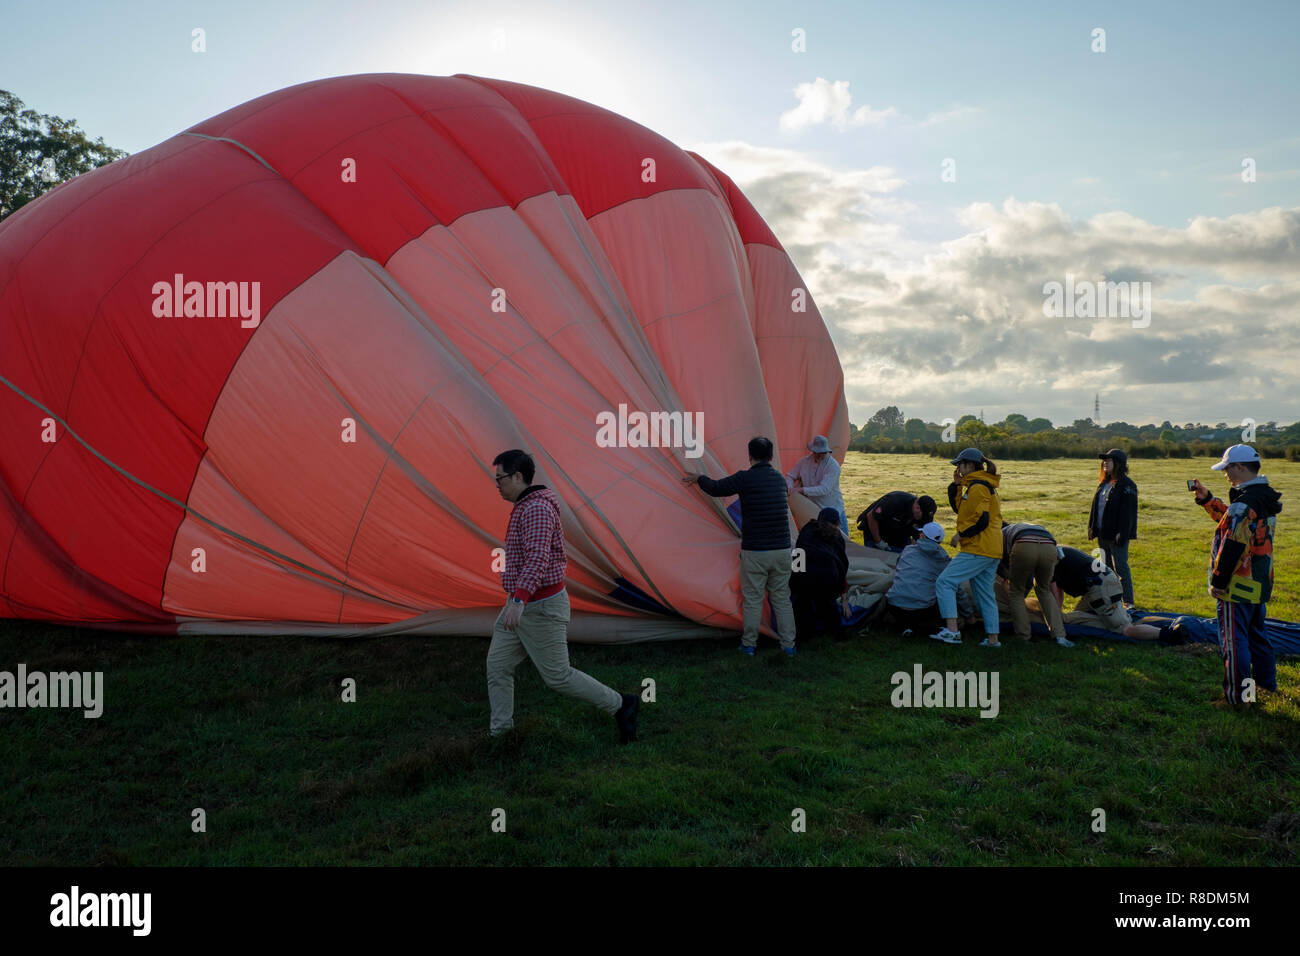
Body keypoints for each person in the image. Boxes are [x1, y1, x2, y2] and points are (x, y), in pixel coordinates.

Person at [486, 449, 640, 742]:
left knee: (558, 676)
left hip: (539, 606)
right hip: (521, 604)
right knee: (498, 665)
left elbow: (538, 558)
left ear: (518, 477)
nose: (498, 484)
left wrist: (518, 600)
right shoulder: (524, 505)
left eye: (501, 478)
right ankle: (501, 734)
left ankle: (622, 704)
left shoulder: (537, 510)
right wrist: (516, 601)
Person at [683, 436, 798, 656]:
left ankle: (749, 645)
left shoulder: (746, 478)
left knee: (753, 599)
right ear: (771, 456)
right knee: (782, 599)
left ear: (750, 456)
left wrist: (700, 478)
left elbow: (717, 488)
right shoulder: (779, 480)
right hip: (783, 549)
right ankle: (789, 646)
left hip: (756, 550)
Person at [1191, 444, 1282, 709]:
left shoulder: (1243, 504)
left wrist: (1218, 582)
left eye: (1228, 469)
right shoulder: (1261, 497)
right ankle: (1266, 686)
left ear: (1239, 467)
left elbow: (1233, 544)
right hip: (1259, 584)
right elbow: (1233, 521)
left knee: (1234, 641)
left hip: (1237, 585)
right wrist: (1208, 500)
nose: (1225, 474)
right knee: (1257, 636)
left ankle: (1239, 698)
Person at [932, 448, 1002, 646]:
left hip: (978, 547)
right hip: (992, 549)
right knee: (986, 595)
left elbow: (982, 519)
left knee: (944, 582)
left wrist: (960, 535)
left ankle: (952, 631)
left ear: (970, 465)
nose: (958, 469)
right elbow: (961, 510)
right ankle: (992, 639)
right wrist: (956, 486)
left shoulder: (978, 487)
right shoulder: (979, 485)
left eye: (960, 465)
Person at [1043, 546, 1178, 642]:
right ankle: (1111, 618)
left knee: (1125, 629)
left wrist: (1055, 616)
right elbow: (1058, 592)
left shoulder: (1047, 561)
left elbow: (1055, 594)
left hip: (1101, 588)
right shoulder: (1057, 551)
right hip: (1099, 585)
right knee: (1075, 620)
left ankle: (1169, 634)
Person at [882, 521, 974, 632]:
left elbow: (899, 569)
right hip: (923, 610)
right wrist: (969, 615)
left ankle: (904, 625)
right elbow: (957, 589)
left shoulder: (908, 550)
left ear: (922, 536)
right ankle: (934, 626)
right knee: (945, 591)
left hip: (894, 606)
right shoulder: (943, 560)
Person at [997, 522, 1071, 646]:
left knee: (1016, 592)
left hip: (1023, 545)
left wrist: (1005, 576)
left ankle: (1024, 636)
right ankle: (1060, 636)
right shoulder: (1021, 527)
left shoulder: (1000, 534)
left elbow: (1001, 562)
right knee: (1044, 590)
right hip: (1049, 546)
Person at [1087, 448, 1139, 605]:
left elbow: (1129, 512)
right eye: (1104, 460)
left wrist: (1122, 532)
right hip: (1102, 534)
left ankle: (1128, 602)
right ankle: (1111, 599)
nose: (1105, 463)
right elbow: (1095, 506)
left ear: (1118, 464)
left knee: (1121, 568)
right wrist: (1091, 526)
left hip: (1116, 535)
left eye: (1108, 460)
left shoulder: (1127, 485)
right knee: (1105, 569)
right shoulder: (1104, 483)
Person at [790, 507, 850, 643]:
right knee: (828, 606)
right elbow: (842, 562)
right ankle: (838, 637)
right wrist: (842, 589)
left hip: (806, 577)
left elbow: (798, 554)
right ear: (837, 523)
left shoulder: (807, 531)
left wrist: (794, 582)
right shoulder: (837, 536)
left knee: (801, 604)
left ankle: (803, 635)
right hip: (828, 578)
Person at [786, 435, 847, 533]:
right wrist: (790, 488)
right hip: (812, 511)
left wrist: (802, 490)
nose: (819, 455)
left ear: (827, 452)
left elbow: (824, 489)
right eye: (817, 452)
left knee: (842, 543)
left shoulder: (833, 466)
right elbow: (790, 475)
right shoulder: (804, 462)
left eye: (823, 453)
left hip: (833, 511)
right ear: (813, 451)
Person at [856, 492, 938, 551]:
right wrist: (878, 542)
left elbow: (917, 536)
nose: (923, 520)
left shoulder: (924, 517)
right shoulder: (895, 501)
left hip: (899, 533)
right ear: (917, 507)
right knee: (875, 560)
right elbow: (871, 517)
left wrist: (914, 550)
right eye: (922, 516)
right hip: (876, 529)